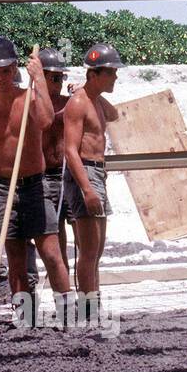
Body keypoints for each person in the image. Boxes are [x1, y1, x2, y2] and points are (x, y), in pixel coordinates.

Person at [0, 37, 72, 326]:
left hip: (36, 186)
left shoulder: (30, 99)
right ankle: (26, 319)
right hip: (3, 188)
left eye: (6, 70)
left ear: (15, 68)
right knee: (14, 257)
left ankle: (68, 317)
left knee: (51, 253)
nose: (1, 77)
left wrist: (38, 77)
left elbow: (46, 121)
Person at [63, 43, 122, 325]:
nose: (116, 78)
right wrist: (86, 188)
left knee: (97, 248)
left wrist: (91, 90)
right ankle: (87, 311)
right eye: (111, 73)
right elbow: (70, 150)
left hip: (98, 172)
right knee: (88, 250)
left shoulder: (94, 100)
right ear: (95, 73)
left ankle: (93, 305)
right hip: (85, 172)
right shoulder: (78, 103)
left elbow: (114, 115)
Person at [38, 46, 72, 286]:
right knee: (55, 235)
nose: (59, 83)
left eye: (62, 77)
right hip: (45, 177)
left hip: (69, 175)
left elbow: (111, 116)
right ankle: (63, 287)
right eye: (54, 78)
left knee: (82, 236)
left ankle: (86, 295)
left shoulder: (70, 104)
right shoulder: (31, 106)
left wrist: (88, 94)